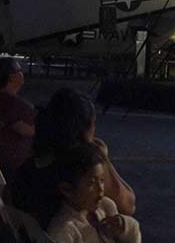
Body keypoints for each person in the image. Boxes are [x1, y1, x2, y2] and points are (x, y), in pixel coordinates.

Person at [12, 88, 136, 220]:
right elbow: (128, 206)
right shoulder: (85, 166)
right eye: (94, 124)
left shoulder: (31, 164)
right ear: (85, 130)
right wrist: (103, 158)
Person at [41, 142, 140, 243]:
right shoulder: (63, 231)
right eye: (92, 183)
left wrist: (126, 228)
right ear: (67, 189)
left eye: (102, 180)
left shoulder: (106, 206)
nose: (100, 188)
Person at [0, 57, 34, 178]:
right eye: (19, 71)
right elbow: (29, 130)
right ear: (11, 77)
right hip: (13, 166)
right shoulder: (11, 104)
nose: (22, 74)